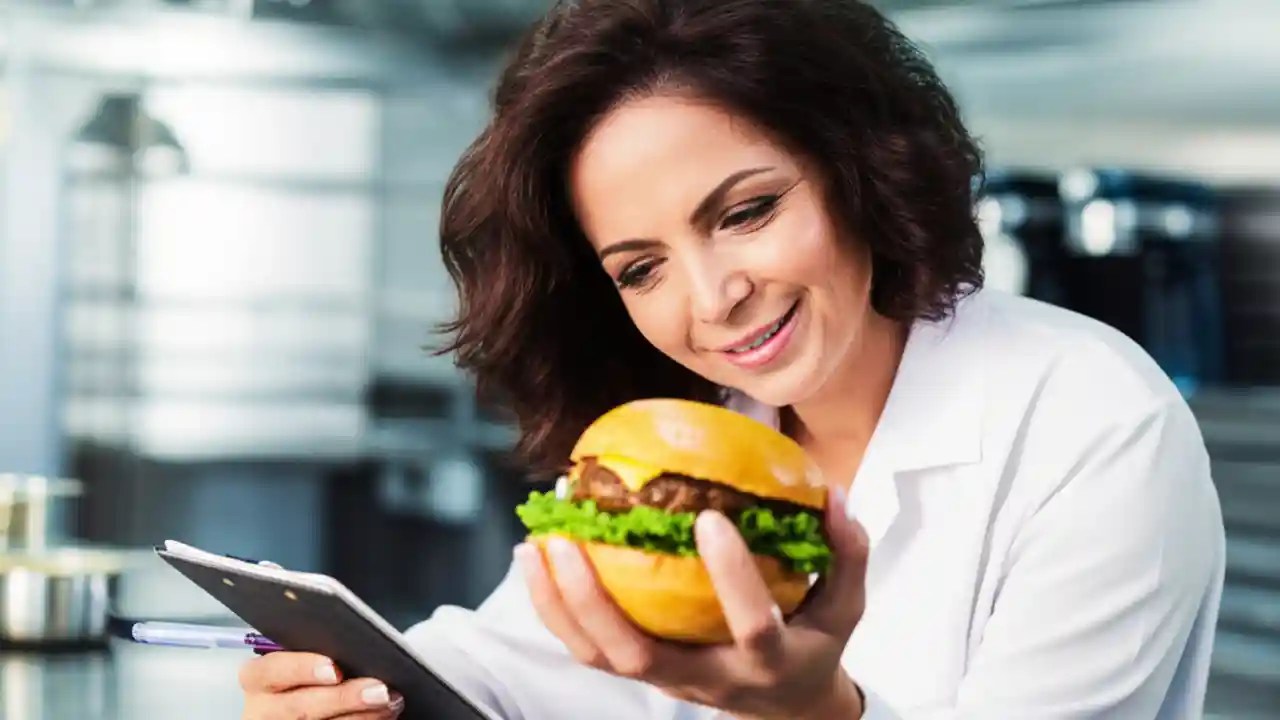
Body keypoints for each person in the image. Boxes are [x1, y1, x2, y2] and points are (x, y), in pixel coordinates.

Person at [236, 1, 1225, 718]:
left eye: (747, 212)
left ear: (857, 169)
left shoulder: (1092, 424)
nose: (711, 301)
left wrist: (816, 711)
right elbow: (506, 671)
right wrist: (356, 693)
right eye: (640, 269)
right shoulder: (693, 440)